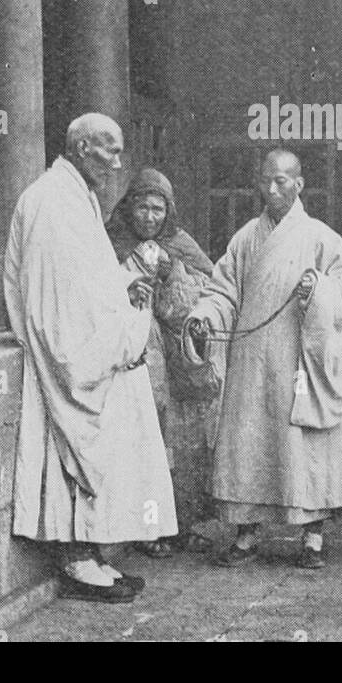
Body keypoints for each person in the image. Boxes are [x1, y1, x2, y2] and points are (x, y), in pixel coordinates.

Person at [5, 113, 176, 603]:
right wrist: (116, 331)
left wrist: (123, 290)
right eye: (110, 150)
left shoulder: (77, 198)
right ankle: (75, 558)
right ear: (80, 148)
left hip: (93, 339)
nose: (119, 162)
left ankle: (93, 552)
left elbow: (86, 281)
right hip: (69, 355)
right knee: (82, 451)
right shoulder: (51, 202)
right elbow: (55, 303)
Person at [184, 148, 342, 570]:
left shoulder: (320, 236)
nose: (271, 189)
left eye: (281, 180)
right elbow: (222, 290)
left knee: (303, 441)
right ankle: (246, 532)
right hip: (252, 361)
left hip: (299, 358)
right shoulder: (247, 237)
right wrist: (203, 317)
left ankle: (312, 536)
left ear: (299, 184)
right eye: (265, 180)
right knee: (251, 441)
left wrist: (319, 289)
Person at [106, 167, 219, 556]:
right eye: (142, 207)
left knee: (181, 447)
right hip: (135, 357)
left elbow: (209, 291)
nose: (150, 217)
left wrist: (173, 274)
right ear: (129, 207)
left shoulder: (179, 243)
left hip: (176, 360)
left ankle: (180, 526)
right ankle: (147, 527)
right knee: (145, 444)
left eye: (158, 209)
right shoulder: (111, 241)